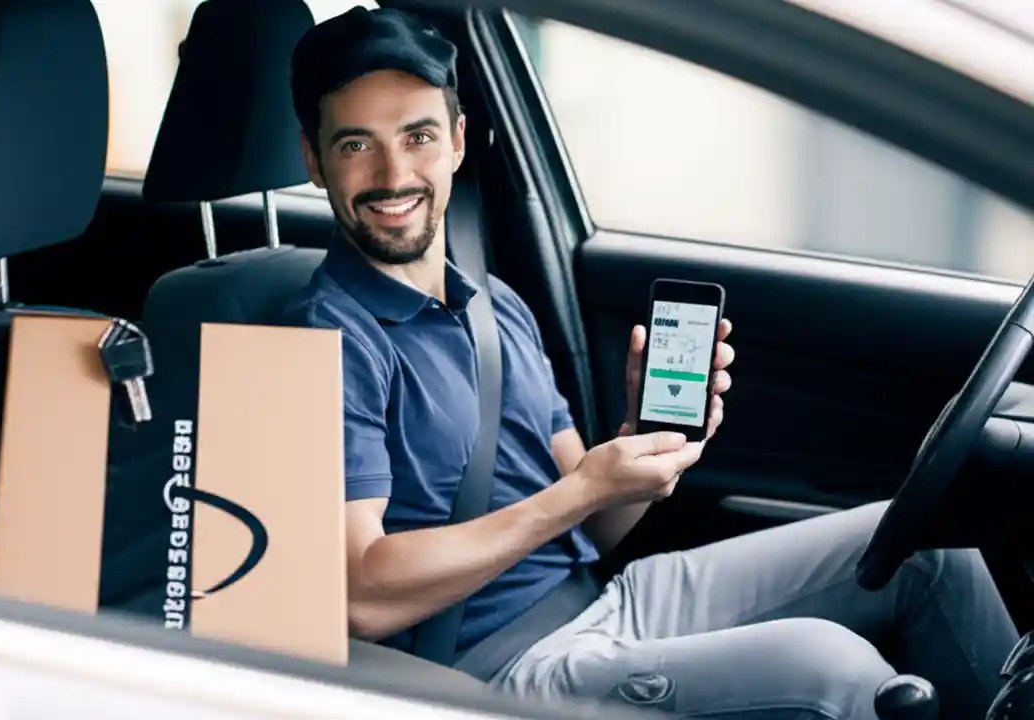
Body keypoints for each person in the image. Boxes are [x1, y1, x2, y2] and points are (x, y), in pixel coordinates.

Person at [284, 7, 1019, 718]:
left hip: (607, 596)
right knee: (834, 672)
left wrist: (636, 445)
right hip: (501, 668)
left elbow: (595, 525)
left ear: (458, 141)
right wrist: (579, 494)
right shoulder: (329, 339)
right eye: (356, 145)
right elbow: (360, 595)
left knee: (927, 551)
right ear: (315, 160)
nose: (392, 172)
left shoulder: (493, 305)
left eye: (417, 136)